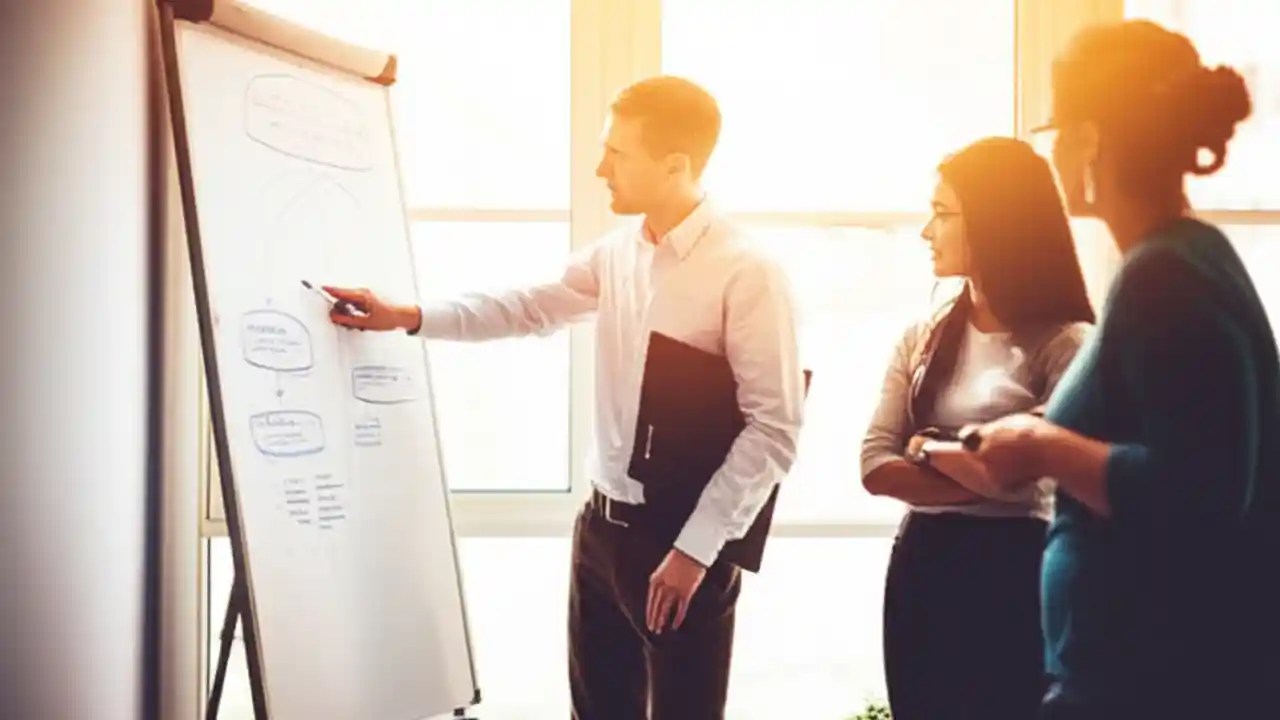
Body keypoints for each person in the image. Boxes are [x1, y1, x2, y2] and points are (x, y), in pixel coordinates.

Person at [324, 76, 805, 720]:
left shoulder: (748, 271)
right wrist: (407, 316)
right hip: (601, 533)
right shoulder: (618, 254)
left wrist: (694, 551)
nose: (601, 168)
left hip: (682, 541)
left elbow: (774, 428)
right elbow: (527, 307)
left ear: (675, 165)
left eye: (617, 153)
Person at [963, 20, 1279, 719]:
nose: (1053, 152)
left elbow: (1201, 490)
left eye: (1057, 131)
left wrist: (1042, 446)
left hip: (1151, 681)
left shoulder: (1164, 276)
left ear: (1091, 138)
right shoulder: (1188, 258)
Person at [861, 137, 1094, 720]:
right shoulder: (922, 338)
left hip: (1015, 573)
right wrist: (990, 473)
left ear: (995, 222)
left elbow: (1036, 480)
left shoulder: (1067, 346)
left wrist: (926, 448)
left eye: (942, 214)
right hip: (923, 564)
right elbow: (874, 465)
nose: (927, 231)